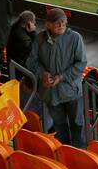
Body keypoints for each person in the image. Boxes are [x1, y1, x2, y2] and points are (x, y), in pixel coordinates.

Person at [27, 8, 88, 145]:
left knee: (77, 125)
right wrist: (43, 74)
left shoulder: (75, 38)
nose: (61, 25)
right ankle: (65, 154)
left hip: (71, 92)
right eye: (57, 22)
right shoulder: (40, 39)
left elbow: (81, 63)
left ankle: (80, 154)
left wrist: (61, 77)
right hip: (51, 94)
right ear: (48, 24)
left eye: (63, 22)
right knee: (60, 127)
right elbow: (31, 61)